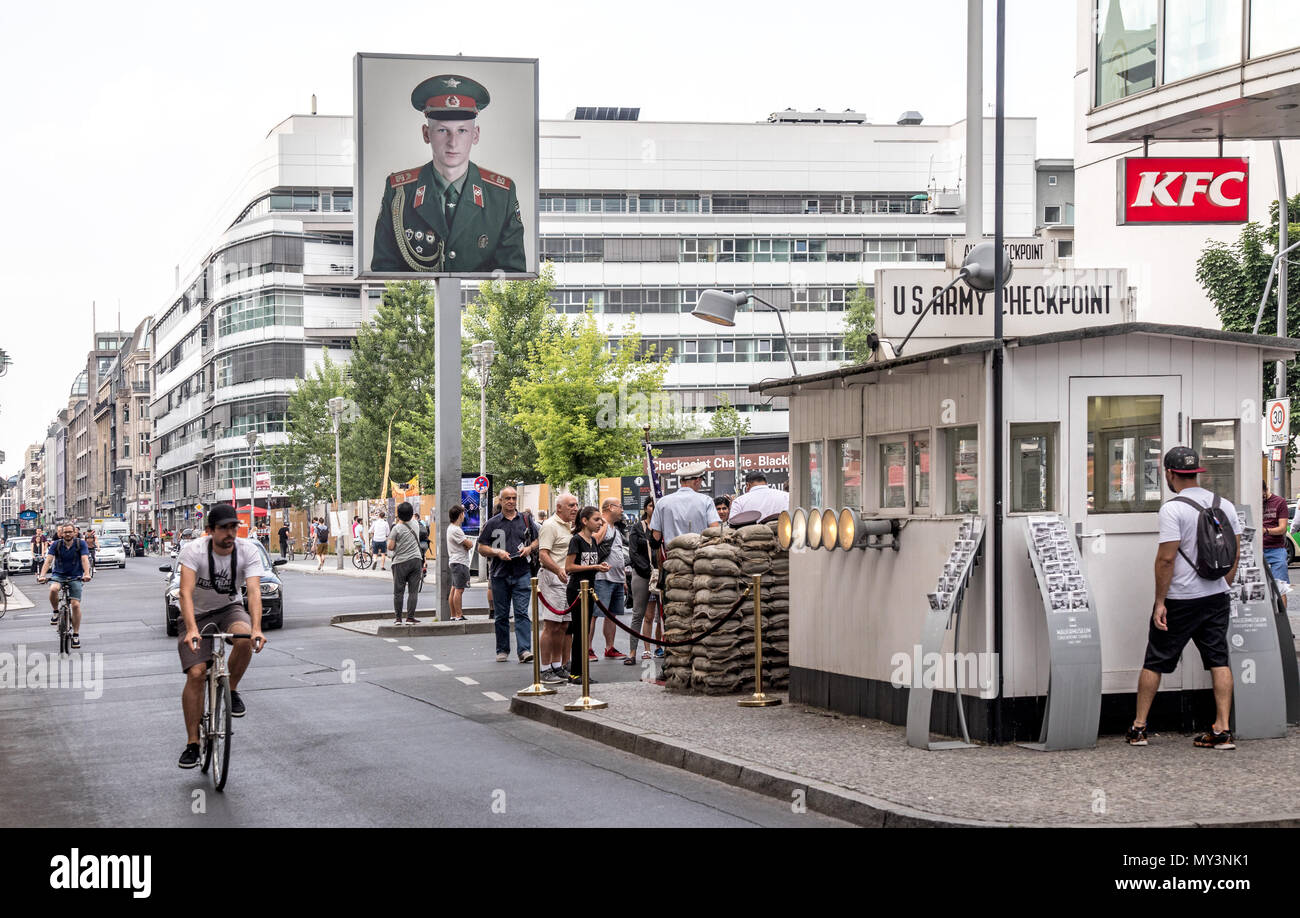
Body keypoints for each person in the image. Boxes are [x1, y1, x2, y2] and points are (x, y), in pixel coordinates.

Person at [1128, 447, 1241, 751]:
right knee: (1219, 660)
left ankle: (1139, 728)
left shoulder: (1172, 509)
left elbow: (1166, 560)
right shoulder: (1225, 505)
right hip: (1216, 596)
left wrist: (1160, 602)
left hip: (1180, 599)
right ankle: (1222, 730)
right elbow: (1235, 552)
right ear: (1196, 472)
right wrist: (1222, 585)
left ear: (1169, 473)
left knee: (1156, 660)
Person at [371, 73, 525, 274]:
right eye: (443, 131)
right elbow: (385, 275)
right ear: (426, 134)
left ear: (475, 135)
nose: (453, 142)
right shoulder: (399, 192)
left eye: (462, 131)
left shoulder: (501, 195)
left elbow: (512, 278)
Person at [175, 504, 266, 769]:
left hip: (229, 609)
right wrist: (191, 629)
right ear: (210, 531)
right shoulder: (194, 551)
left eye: (233, 527)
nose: (230, 533)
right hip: (197, 614)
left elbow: (254, 592)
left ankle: (233, 689)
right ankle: (193, 743)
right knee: (196, 673)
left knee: (245, 638)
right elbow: (185, 593)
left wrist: (257, 628)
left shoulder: (247, 551)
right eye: (224, 528)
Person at [475, 486, 536, 663]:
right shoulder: (492, 523)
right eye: (507, 498)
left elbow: (538, 539)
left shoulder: (526, 520)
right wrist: (497, 552)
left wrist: (529, 548)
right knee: (501, 614)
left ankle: (524, 650)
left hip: (522, 572)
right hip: (500, 574)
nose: (511, 501)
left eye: (514, 498)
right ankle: (502, 649)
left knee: (522, 613)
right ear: (500, 501)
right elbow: (481, 547)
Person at [537, 495, 578, 683]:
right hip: (553, 578)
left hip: (567, 580)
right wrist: (558, 570)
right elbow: (543, 554)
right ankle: (544, 669)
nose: (575, 508)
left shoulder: (571, 526)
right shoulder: (550, 525)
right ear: (559, 507)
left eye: (576, 505)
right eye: (571, 505)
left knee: (563, 626)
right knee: (551, 625)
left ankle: (556, 665)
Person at [565, 506, 607, 685]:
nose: (599, 523)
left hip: (590, 589)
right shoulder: (576, 540)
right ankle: (575, 672)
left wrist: (600, 566)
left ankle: (582, 671)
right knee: (579, 630)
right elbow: (569, 567)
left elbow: (592, 562)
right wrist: (594, 567)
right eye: (596, 520)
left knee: (585, 630)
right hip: (577, 590)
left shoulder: (593, 541)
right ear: (584, 521)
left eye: (600, 520)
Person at [36, 523, 92, 649]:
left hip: (75, 576)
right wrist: (42, 575)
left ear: (74, 533)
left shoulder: (80, 544)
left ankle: (76, 635)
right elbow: (49, 560)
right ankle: (56, 612)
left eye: (69, 532)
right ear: (61, 533)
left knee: (75, 604)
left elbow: (84, 559)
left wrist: (87, 574)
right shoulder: (56, 544)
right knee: (53, 589)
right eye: (65, 532)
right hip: (59, 575)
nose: (67, 534)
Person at [650, 462, 721, 546]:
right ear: (697, 481)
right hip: (699, 555)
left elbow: (656, 538)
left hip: (673, 555)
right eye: (701, 481)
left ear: (681, 481)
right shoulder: (706, 501)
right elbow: (715, 530)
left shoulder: (662, 502)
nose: (700, 485)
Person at [627, 496, 662, 663]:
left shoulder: (663, 526)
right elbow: (632, 552)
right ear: (645, 508)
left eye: (655, 506)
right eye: (650, 505)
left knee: (660, 615)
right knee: (639, 614)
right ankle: (633, 652)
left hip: (660, 574)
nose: (653, 508)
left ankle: (661, 648)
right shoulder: (637, 527)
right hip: (642, 575)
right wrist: (648, 571)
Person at [593, 498, 629, 660]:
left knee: (612, 615)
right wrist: (604, 523)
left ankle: (610, 647)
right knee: (593, 614)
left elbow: (617, 553)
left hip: (617, 578)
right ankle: (587, 648)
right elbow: (594, 542)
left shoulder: (616, 528)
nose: (622, 509)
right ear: (609, 507)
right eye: (619, 506)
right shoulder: (601, 524)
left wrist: (623, 580)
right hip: (602, 577)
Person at [387, 501, 423, 625]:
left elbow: (390, 547)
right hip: (416, 560)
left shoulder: (396, 529)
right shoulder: (416, 524)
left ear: (399, 515)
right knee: (413, 591)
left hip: (400, 562)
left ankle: (398, 618)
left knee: (398, 591)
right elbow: (410, 517)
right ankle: (410, 617)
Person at [1261, 479, 1289, 608]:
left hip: (1275, 549)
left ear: (1266, 490)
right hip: (1258, 549)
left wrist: (1266, 530)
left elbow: (1282, 528)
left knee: (1280, 587)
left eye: (1262, 496)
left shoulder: (1279, 502)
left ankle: (1282, 618)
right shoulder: (1253, 500)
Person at [446, 505, 474, 622]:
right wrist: (468, 544)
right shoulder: (456, 530)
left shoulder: (451, 528)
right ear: (460, 515)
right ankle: (458, 615)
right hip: (460, 562)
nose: (464, 516)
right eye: (463, 513)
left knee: (454, 588)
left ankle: (453, 614)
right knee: (459, 589)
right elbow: (469, 544)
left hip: (455, 561)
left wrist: (466, 545)